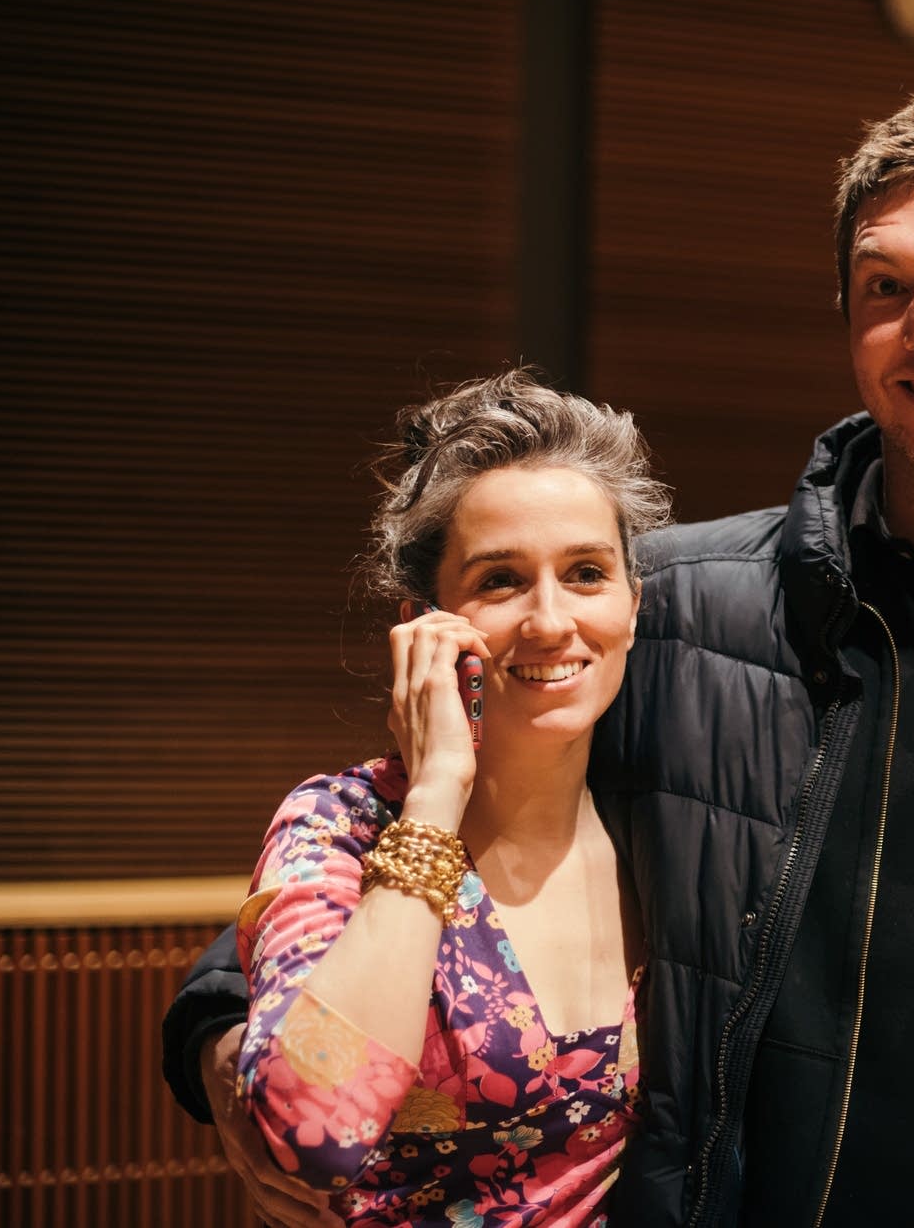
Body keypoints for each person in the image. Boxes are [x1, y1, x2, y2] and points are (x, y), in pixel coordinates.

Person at [166, 87, 914, 1226]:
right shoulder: (689, 604)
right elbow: (443, 821)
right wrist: (228, 1029)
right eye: (885, 288)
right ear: (848, 322)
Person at [208, 370, 671, 1226]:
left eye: (585, 572)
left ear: (633, 606)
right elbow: (311, 1135)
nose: (548, 619)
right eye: (500, 579)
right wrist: (436, 794)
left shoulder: (667, 821)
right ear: (425, 619)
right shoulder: (338, 824)